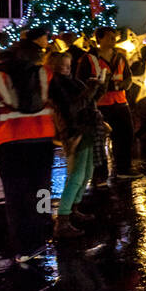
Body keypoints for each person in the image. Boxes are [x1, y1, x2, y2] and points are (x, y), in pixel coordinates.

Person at [0, 40, 58, 264]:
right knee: (41, 187)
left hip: (10, 143)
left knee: (16, 196)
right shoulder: (45, 74)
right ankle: (42, 230)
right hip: (41, 140)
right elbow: (58, 101)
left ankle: (24, 246)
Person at [47, 51, 103, 239]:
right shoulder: (57, 84)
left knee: (87, 172)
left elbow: (88, 101)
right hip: (75, 132)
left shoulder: (73, 81)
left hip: (86, 129)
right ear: (54, 66)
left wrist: (98, 87)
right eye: (63, 65)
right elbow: (72, 107)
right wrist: (91, 90)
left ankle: (73, 208)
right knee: (77, 174)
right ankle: (63, 218)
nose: (67, 68)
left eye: (68, 64)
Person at [76, 26, 134, 179]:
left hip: (120, 102)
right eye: (110, 37)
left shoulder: (120, 57)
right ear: (99, 39)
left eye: (114, 37)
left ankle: (124, 169)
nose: (114, 40)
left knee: (125, 135)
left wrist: (123, 85)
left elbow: (128, 77)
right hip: (99, 105)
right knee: (98, 141)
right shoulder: (88, 59)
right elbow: (80, 82)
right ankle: (100, 175)